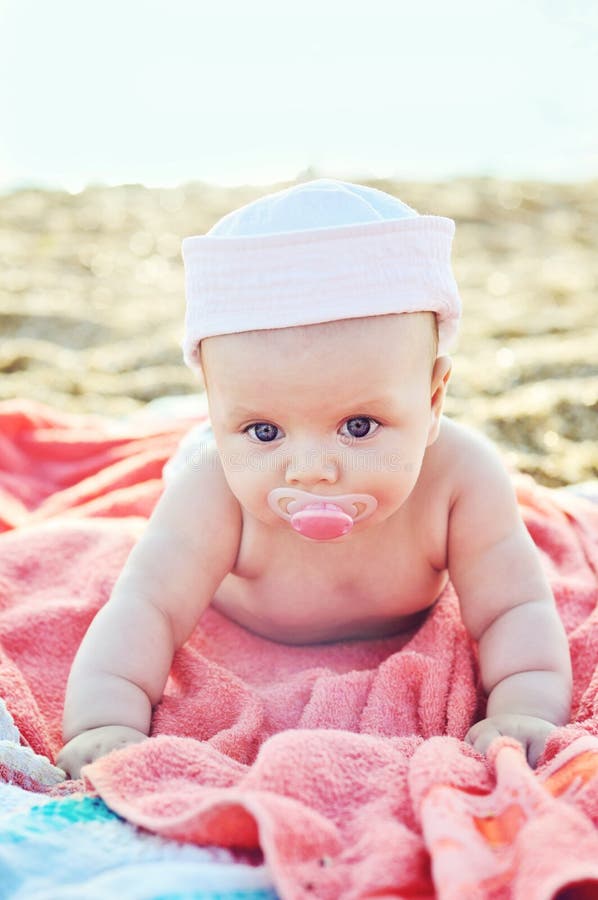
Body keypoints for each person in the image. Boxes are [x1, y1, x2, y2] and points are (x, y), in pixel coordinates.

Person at [57, 179, 572, 779]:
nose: (310, 471)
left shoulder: (462, 479)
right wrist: (105, 722)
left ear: (432, 401)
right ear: (216, 411)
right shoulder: (213, 485)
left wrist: (522, 708)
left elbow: (515, 607)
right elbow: (146, 607)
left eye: (358, 426)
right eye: (264, 430)